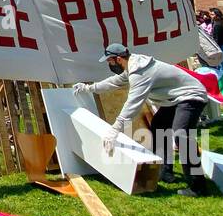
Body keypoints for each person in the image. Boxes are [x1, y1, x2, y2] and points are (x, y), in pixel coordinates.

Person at [74, 43, 211, 196]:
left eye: (109, 61)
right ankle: (165, 172)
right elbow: (114, 82)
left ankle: (198, 186)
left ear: (118, 59)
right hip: (174, 99)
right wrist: (89, 88)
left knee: (181, 136)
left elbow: (132, 105)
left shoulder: (141, 73)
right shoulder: (133, 66)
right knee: (159, 125)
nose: (109, 64)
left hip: (191, 95)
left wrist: (114, 130)